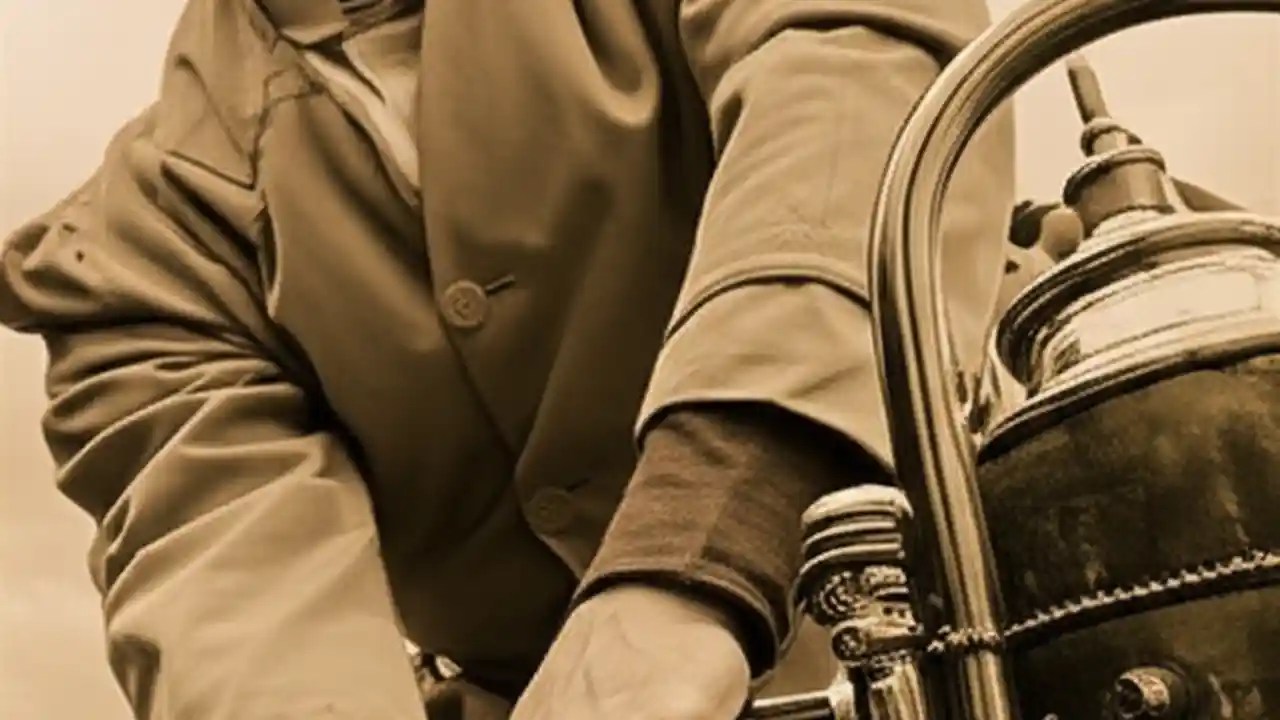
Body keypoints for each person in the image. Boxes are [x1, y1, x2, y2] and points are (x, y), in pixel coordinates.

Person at [0, 1, 1016, 718]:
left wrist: (701, 547)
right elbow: (233, 591)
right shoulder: (134, 251)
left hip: (1001, 626)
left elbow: (855, 74)